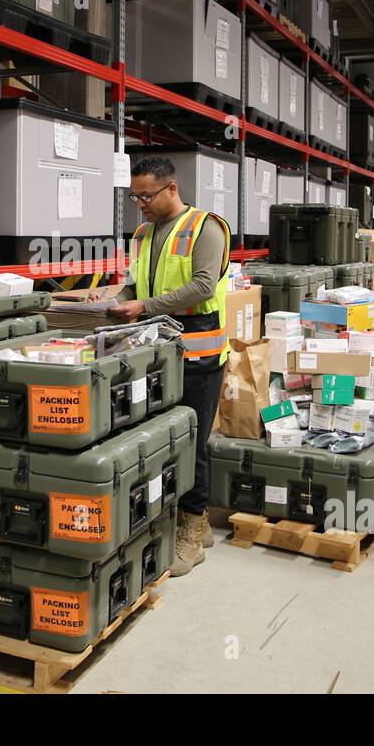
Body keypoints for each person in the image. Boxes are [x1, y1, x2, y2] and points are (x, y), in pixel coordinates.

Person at [104, 156, 230, 577]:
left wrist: (145, 306)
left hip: (199, 352)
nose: (140, 203)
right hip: (157, 352)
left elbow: (202, 285)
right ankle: (197, 523)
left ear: (171, 188)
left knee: (191, 443)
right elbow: (136, 282)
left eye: (146, 195)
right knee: (167, 439)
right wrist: (114, 297)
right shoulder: (142, 232)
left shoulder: (205, 228)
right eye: (134, 195)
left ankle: (192, 533)